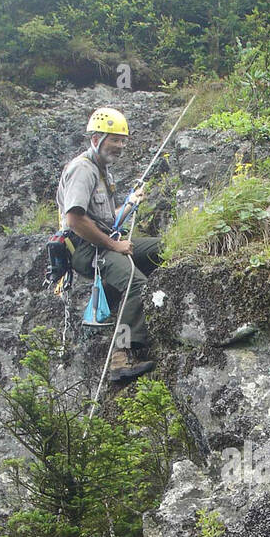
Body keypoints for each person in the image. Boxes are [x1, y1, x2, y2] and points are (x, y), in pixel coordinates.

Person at [55, 106, 159, 380]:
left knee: (162, 249)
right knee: (136, 283)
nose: (121, 146)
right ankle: (120, 358)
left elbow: (105, 221)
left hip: (101, 241)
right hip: (86, 250)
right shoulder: (83, 170)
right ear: (96, 139)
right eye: (115, 139)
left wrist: (129, 205)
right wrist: (115, 247)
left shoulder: (103, 172)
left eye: (123, 140)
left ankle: (128, 294)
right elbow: (75, 220)